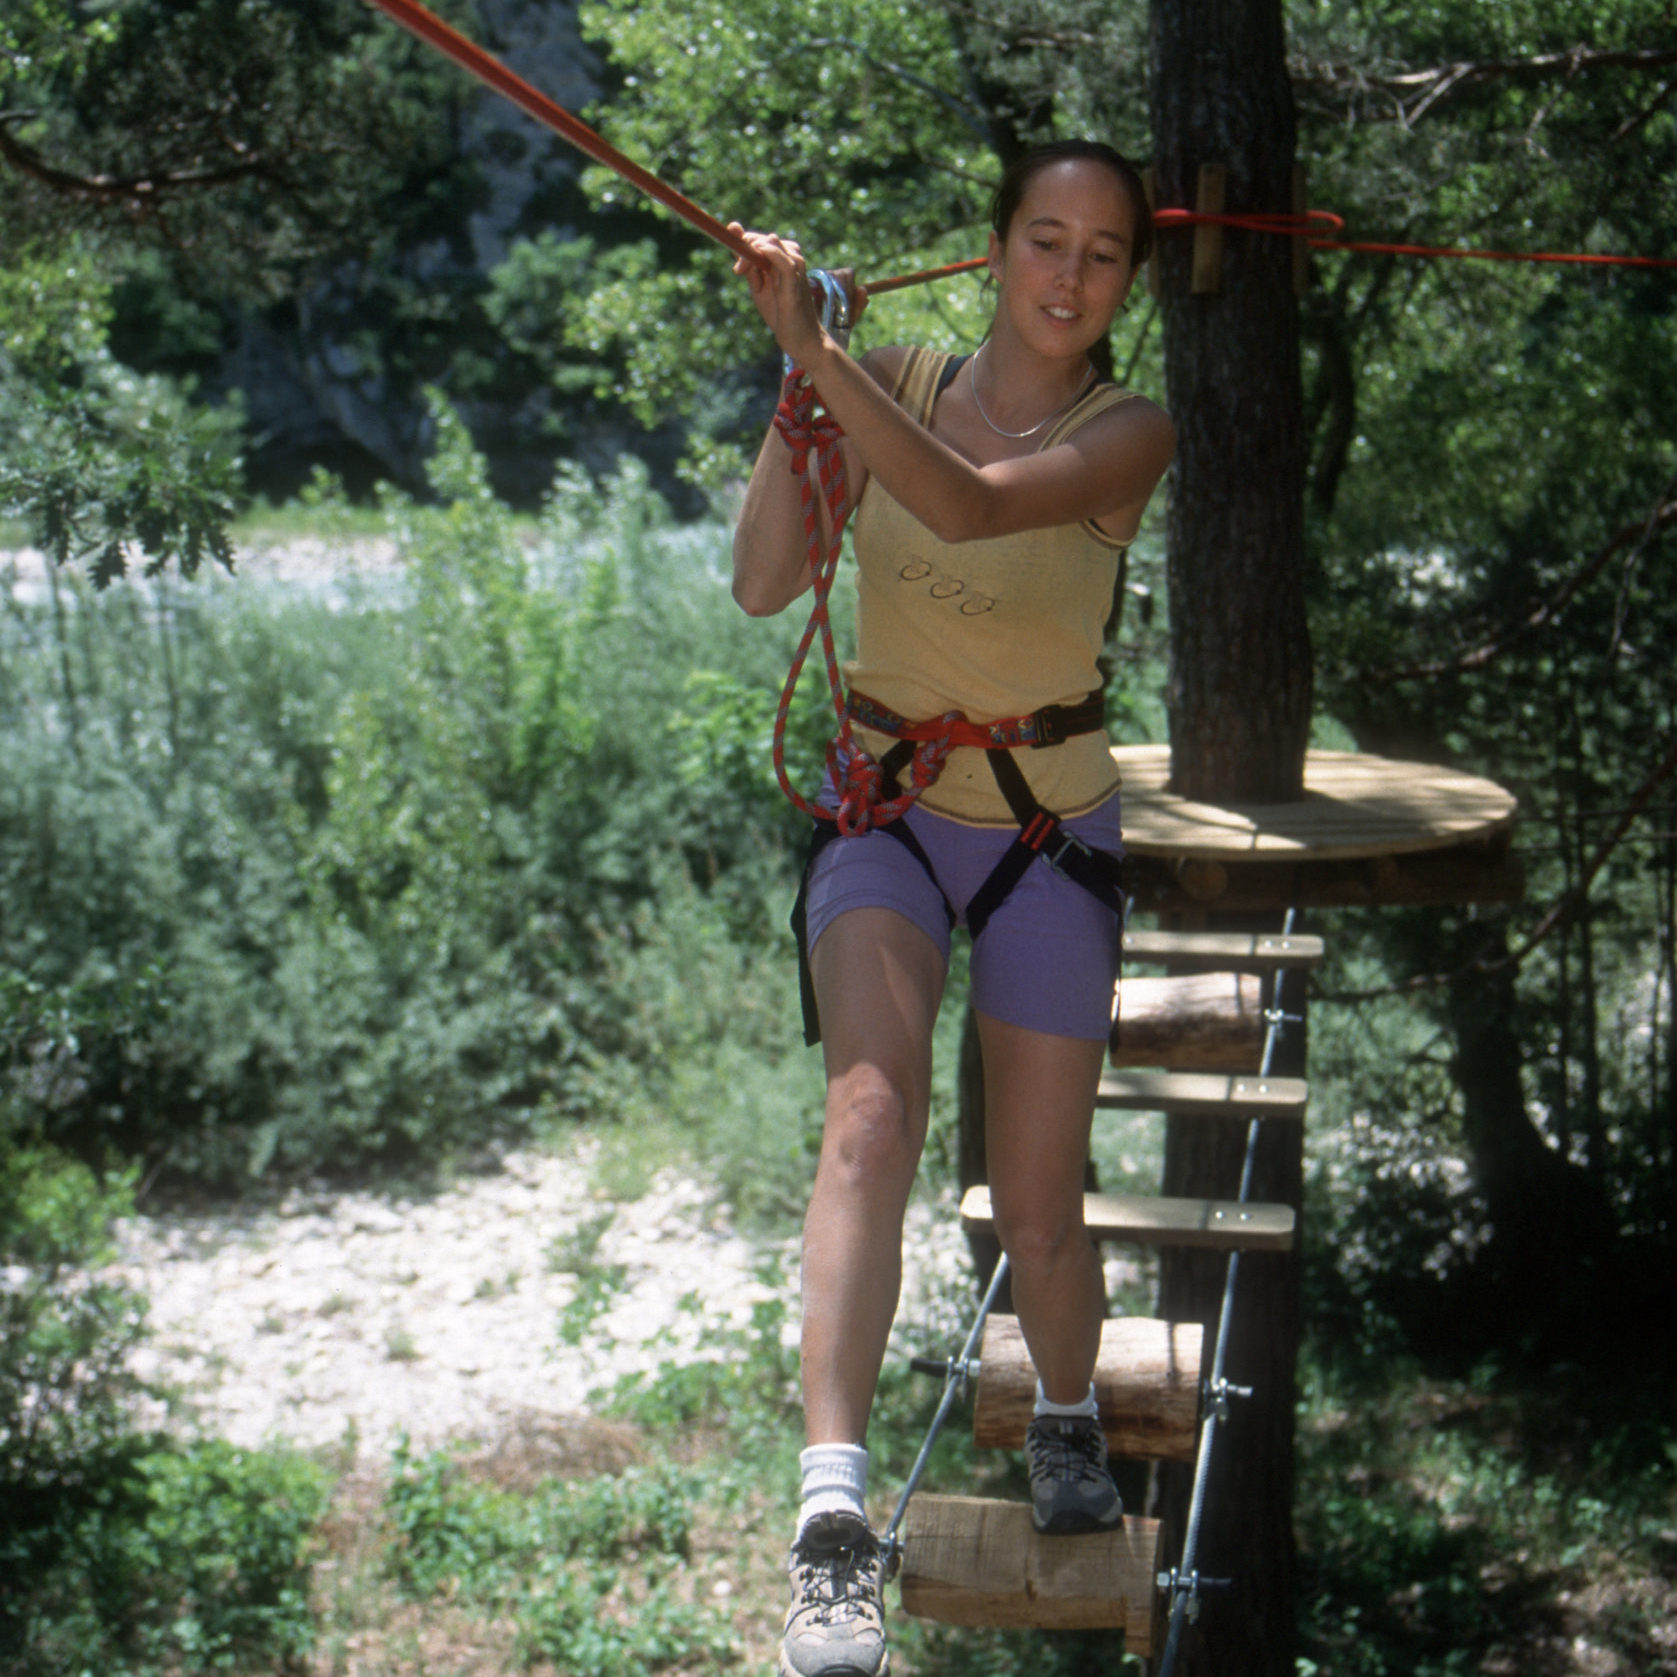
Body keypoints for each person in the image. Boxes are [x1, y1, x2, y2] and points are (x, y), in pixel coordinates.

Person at [729, 139, 1175, 1677]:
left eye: (1101, 253)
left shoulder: (1128, 429)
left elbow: (978, 510)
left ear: (1125, 283)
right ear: (992, 250)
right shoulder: (891, 376)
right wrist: (801, 393)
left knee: (1038, 1214)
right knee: (869, 1115)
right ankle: (833, 1525)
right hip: (888, 807)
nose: (1065, 274)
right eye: (1042, 239)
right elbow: (764, 585)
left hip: (1047, 826)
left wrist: (819, 352)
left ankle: (1063, 1414)